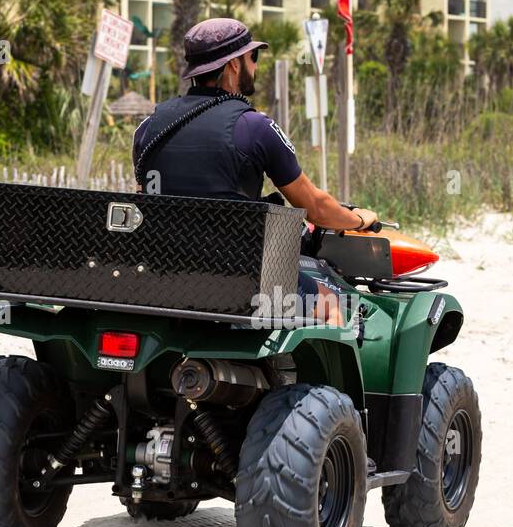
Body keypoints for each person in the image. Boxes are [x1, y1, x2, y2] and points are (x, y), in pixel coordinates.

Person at [132, 17, 378, 321]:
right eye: (253, 57)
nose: (256, 66)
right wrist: (357, 219)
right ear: (234, 64)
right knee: (334, 311)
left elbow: (144, 199)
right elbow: (314, 207)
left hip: (163, 274)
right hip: (235, 279)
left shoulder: (149, 127)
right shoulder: (254, 127)